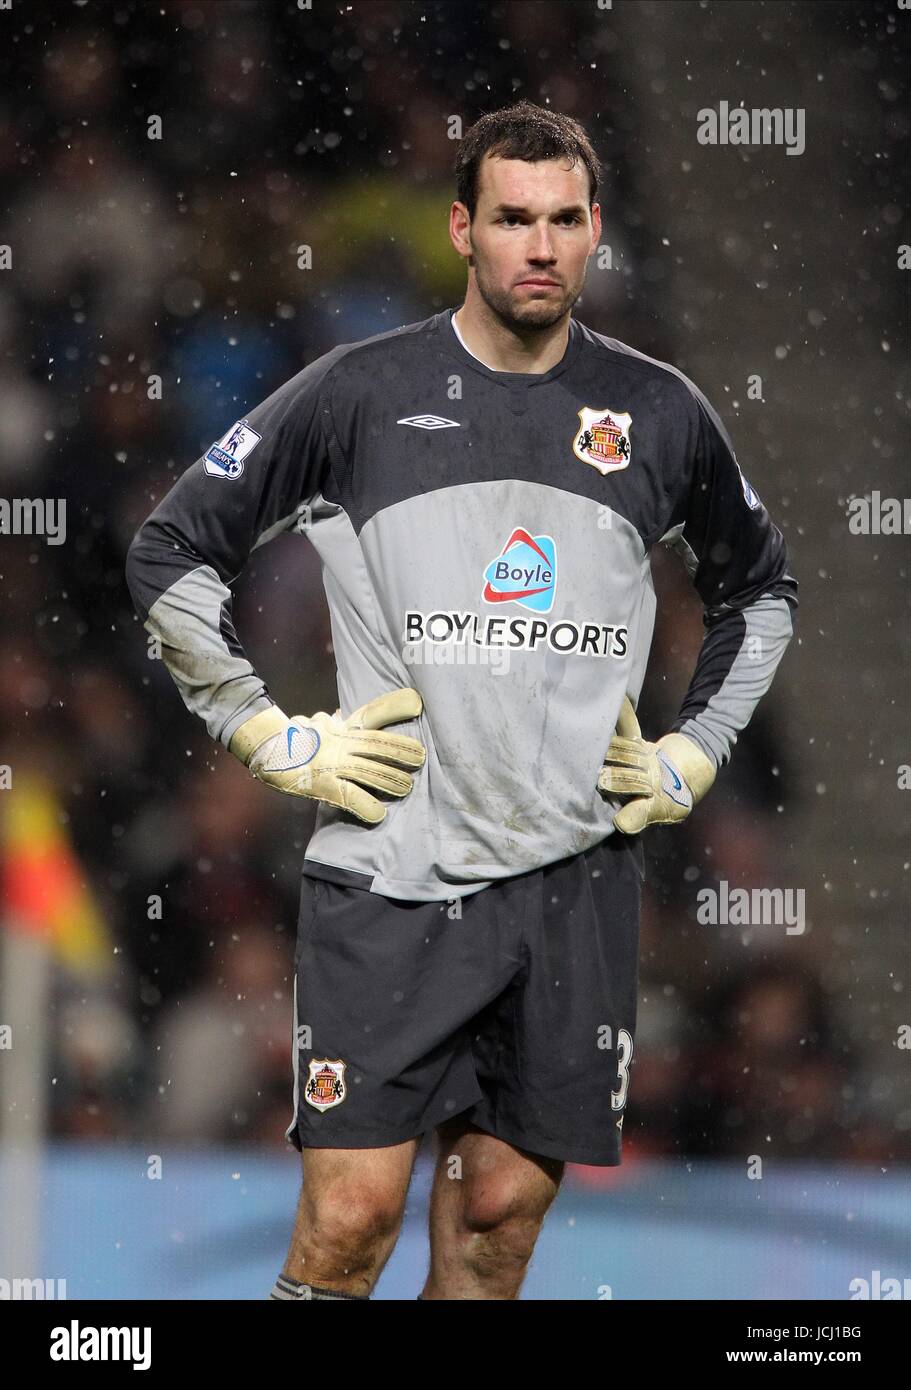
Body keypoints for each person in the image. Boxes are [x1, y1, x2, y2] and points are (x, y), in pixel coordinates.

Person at [125, 99, 798, 1300]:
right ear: (459, 229)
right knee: (348, 1224)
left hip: (573, 886)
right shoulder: (357, 391)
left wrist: (692, 754)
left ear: (594, 230)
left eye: (562, 220)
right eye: (510, 219)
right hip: (390, 875)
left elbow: (762, 591)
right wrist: (266, 733)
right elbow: (172, 548)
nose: (538, 246)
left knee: (493, 1229)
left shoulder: (658, 412)